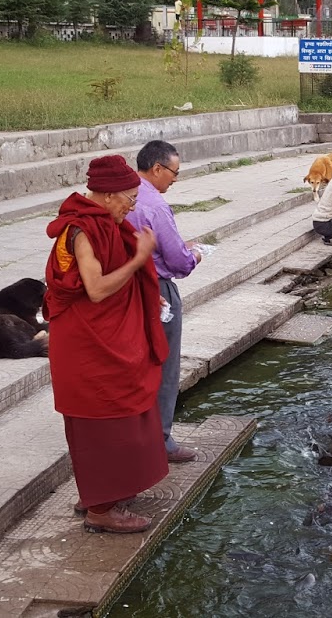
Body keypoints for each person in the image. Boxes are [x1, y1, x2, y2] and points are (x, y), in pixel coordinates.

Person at [44, 154, 167, 534]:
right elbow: (96, 290)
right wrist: (140, 261)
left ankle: (99, 493)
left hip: (102, 336)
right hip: (87, 344)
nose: (132, 206)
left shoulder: (108, 225)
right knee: (99, 424)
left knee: (116, 420)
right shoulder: (81, 231)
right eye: (130, 198)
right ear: (110, 195)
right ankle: (100, 510)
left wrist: (147, 294)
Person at [126, 140, 203, 464]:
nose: (175, 179)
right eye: (174, 172)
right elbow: (177, 261)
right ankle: (161, 439)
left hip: (125, 290)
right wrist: (194, 254)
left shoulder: (124, 196)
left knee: (137, 365)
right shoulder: (154, 204)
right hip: (156, 289)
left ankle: (136, 434)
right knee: (164, 364)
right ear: (157, 168)